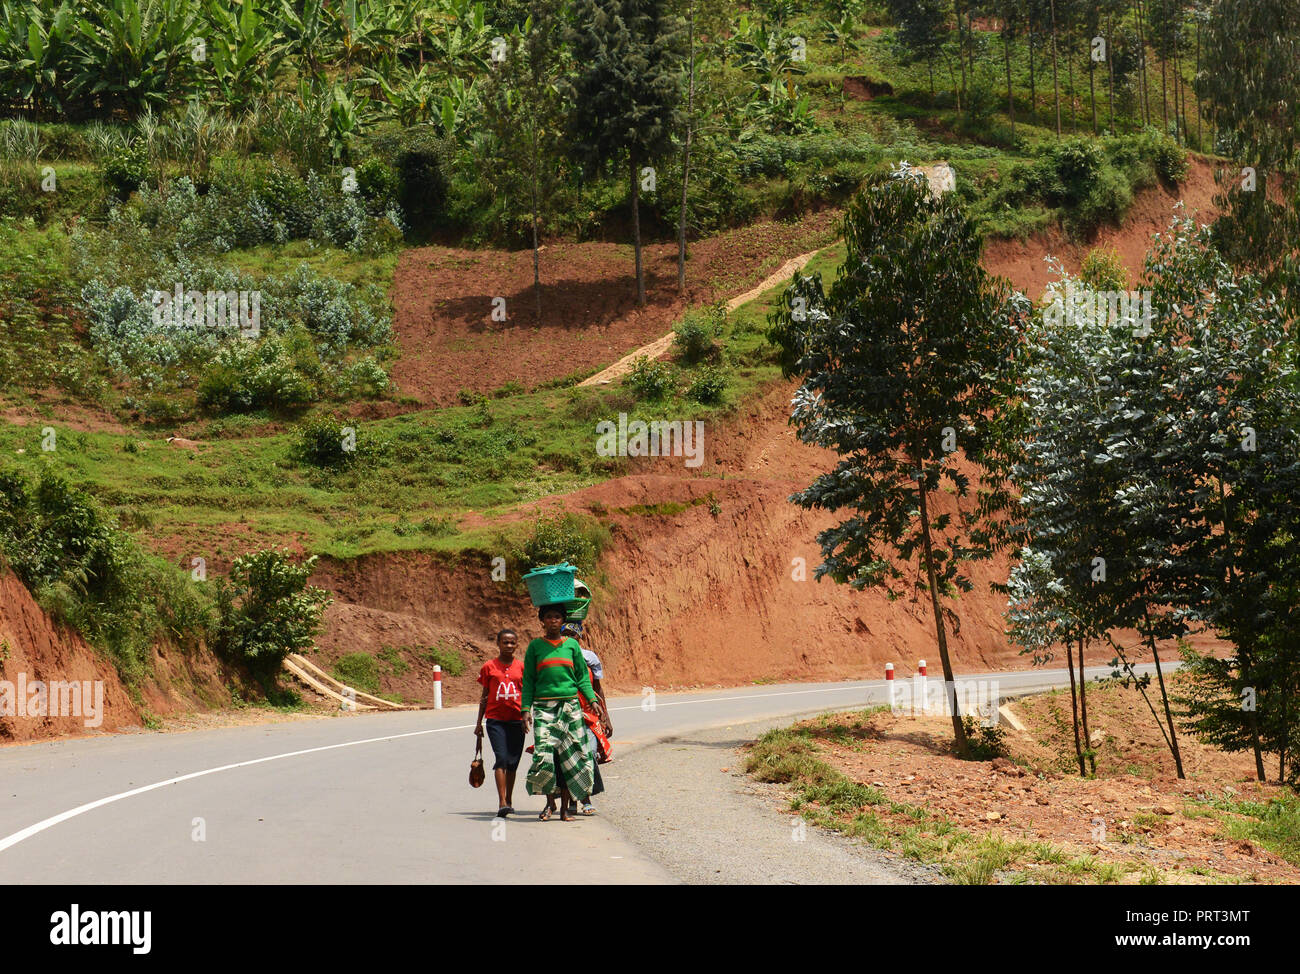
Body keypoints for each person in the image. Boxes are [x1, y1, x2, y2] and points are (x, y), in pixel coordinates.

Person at [522, 604, 607, 822]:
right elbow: (529, 681)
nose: (553, 621)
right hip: (543, 707)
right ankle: (549, 804)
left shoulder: (571, 646)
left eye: (557, 617)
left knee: (572, 756)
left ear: (563, 621)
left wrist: (592, 700)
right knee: (545, 756)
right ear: (542, 620)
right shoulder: (535, 647)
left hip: (570, 706)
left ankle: (565, 810)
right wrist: (525, 710)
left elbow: (581, 677)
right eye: (548, 617)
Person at [561, 620, 613, 817]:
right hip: (564, 713)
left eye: (573, 636)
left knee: (589, 753)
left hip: (588, 715)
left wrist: (605, 717)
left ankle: (584, 796)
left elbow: (597, 689)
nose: (570, 639)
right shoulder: (556, 657)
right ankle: (576, 800)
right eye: (566, 635)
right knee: (568, 756)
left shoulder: (589, 657)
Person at [475, 629, 525, 817]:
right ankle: (502, 801)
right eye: (505, 642)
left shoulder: (521, 667)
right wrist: (479, 723)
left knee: (513, 762)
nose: (509, 646)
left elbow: (526, 694)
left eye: (512, 642)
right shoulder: (489, 667)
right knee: (501, 758)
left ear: (517, 644)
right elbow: (484, 696)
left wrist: (527, 716)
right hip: (495, 720)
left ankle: (509, 800)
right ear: (498, 644)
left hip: (517, 720)